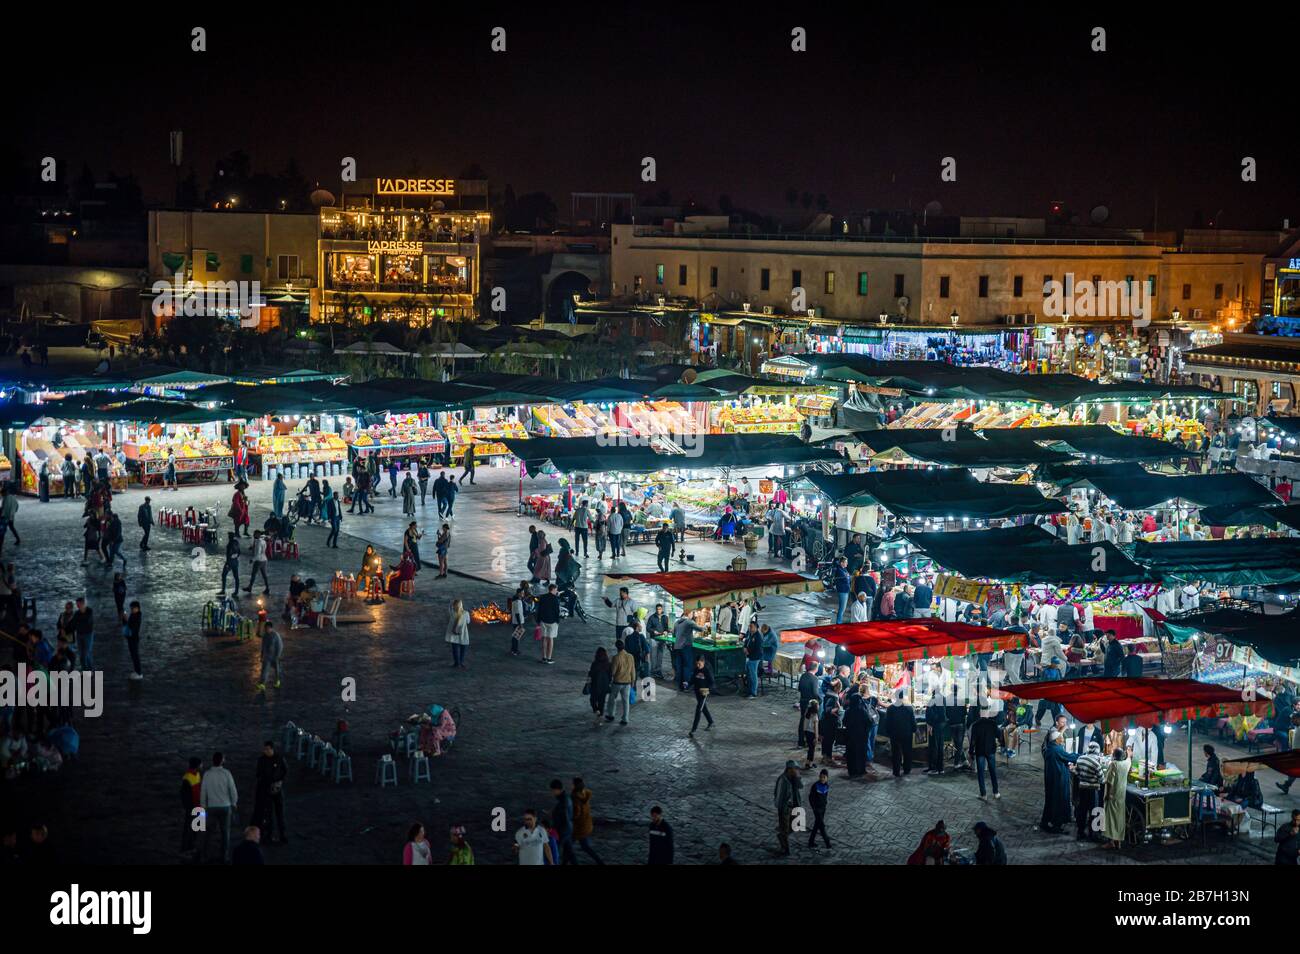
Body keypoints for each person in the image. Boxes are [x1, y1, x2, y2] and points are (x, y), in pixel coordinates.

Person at [200, 751, 238, 863]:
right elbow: (232, 790)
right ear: (222, 761)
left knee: (209, 832)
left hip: (211, 807)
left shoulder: (207, 774)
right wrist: (234, 802)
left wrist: (203, 805)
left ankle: (205, 854)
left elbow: (203, 791)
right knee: (225, 832)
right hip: (225, 806)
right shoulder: (227, 773)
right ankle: (224, 856)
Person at [1040, 730, 1081, 834]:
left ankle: (1045, 822)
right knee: (1059, 801)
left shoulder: (1050, 748)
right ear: (1056, 739)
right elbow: (1068, 757)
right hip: (1058, 780)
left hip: (1051, 779)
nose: (1063, 739)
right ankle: (1056, 825)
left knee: (1050, 801)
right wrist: (1082, 755)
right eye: (1061, 737)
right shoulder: (1057, 749)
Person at [253, 741, 288, 845]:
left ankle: (282, 834)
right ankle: (269, 835)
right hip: (266, 790)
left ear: (272, 749)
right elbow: (258, 774)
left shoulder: (279, 758)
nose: (266, 751)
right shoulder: (261, 760)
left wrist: (280, 781)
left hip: (277, 789)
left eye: (267, 749)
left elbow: (285, 771)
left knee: (280, 813)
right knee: (268, 814)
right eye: (265, 749)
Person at [1074, 740, 1107, 840]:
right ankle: (1093, 834)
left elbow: (1077, 773)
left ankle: (1080, 832)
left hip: (1082, 789)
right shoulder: (1096, 764)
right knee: (1094, 811)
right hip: (1093, 790)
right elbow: (1102, 780)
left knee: (1082, 810)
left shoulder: (1080, 759)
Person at [968, 705, 1003, 799]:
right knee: (992, 771)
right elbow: (999, 735)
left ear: (980, 713)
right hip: (991, 750)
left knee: (981, 773)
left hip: (980, 751)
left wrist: (971, 751)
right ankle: (996, 792)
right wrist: (1001, 744)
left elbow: (973, 740)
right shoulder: (993, 723)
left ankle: (983, 794)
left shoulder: (975, 725)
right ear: (987, 713)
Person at [1103, 744, 1132, 848]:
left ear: (1114, 755)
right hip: (1121, 796)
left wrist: (1107, 794)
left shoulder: (1113, 764)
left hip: (1112, 796)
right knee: (1119, 819)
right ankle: (1118, 841)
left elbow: (1109, 782)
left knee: (1110, 819)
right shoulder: (1125, 764)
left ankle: (1110, 842)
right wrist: (1129, 753)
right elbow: (1129, 759)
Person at [774, 760, 803, 856]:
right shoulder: (782, 780)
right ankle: (785, 849)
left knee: (797, 825)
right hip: (785, 809)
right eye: (795, 768)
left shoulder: (794, 778)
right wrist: (781, 810)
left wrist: (797, 777)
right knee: (785, 829)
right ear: (789, 769)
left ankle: (782, 835)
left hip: (795, 806)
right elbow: (778, 796)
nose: (796, 770)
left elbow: (801, 786)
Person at [605, 639, 636, 725]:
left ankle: (611, 714)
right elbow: (633, 670)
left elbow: (613, 671)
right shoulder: (630, 656)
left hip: (617, 682)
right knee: (625, 701)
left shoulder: (616, 657)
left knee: (612, 699)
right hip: (627, 682)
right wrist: (633, 680)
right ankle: (625, 718)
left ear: (617, 647)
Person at [179, 757, 203, 861]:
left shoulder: (196, 775)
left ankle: (192, 847)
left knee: (196, 828)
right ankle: (185, 850)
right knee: (189, 829)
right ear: (197, 765)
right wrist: (189, 807)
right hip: (193, 807)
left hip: (199, 807)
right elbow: (184, 796)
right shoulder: (187, 778)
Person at [548, 779, 576, 865]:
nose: (552, 793)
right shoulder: (567, 798)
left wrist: (554, 831)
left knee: (553, 852)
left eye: (552, 790)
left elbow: (563, 818)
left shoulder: (562, 803)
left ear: (557, 790)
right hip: (568, 830)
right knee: (570, 854)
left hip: (562, 832)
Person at [689, 655, 715, 735]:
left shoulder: (707, 670)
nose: (698, 666)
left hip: (704, 692)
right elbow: (693, 679)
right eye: (696, 664)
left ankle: (693, 730)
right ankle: (711, 722)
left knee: (698, 709)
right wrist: (688, 684)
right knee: (703, 708)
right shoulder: (696, 669)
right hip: (697, 691)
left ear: (703, 662)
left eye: (699, 664)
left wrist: (708, 690)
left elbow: (712, 682)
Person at [536, 584, 561, 664]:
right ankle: (549, 658)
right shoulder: (556, 599)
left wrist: (538, 620)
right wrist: (558, 621)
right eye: (556, 589)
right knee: (550, 639)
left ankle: (544, 657)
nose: (557, 591)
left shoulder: (542, 597)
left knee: (544, 638)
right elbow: (557, 611)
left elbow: (539, 609)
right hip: (552, 621)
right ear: (553, 589)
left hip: (543, 620)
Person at [586, 647, 611, 724]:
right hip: (604, 686)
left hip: (595, 685)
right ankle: (600, 716)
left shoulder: (595, 664)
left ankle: (596, 711)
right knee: (602, 701)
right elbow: (610, 675)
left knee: (593, 700)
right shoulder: (608, 664)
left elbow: (591, 674)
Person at [257, 623, 283, 692]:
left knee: (277, 670)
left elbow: (280, 646)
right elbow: (263, 647)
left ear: (271, 628)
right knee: (265, 670)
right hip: (267, 656)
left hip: (275, 656)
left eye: (268, 628)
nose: (266, 630)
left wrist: (278, 656)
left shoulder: (276, 635)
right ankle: (262, 684)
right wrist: (262, 656)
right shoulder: (265, 636)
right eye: (265, 628)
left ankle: (277, 681)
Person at [446, 598, 470, 668]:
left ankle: (457, 663)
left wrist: (451, 603)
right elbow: (468, 622)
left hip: (453, 633)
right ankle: (461, 662)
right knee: (463, 648)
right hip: (463, 633)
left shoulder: (452, 613)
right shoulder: (466, 613)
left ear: (454, 605)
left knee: (455, 649)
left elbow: (449, 608)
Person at [122, 600, 143, 680]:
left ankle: (139, 673)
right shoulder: (133, 614)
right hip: (130, 638)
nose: (131, 610)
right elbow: (127, 624)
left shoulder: (137, 616)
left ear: (137, 608)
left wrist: (126, 619)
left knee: (135, 656)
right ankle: (136, 671)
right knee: (133, 655)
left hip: (134, 638)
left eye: (133, 608)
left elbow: (132, 627)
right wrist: (125, 619)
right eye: (131, 608)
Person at [832, 557, 851, 624]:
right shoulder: (839, 570)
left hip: (845, 590)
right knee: (842, 608)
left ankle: (839, 621)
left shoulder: (844, 569)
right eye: (846, 562)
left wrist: (848, 577)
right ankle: (838, 622)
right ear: (841, 563)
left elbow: (848, 578)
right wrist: (848, 577)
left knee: (843, 607)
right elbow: (846, 579)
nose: (847, 563)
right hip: (842, 591)